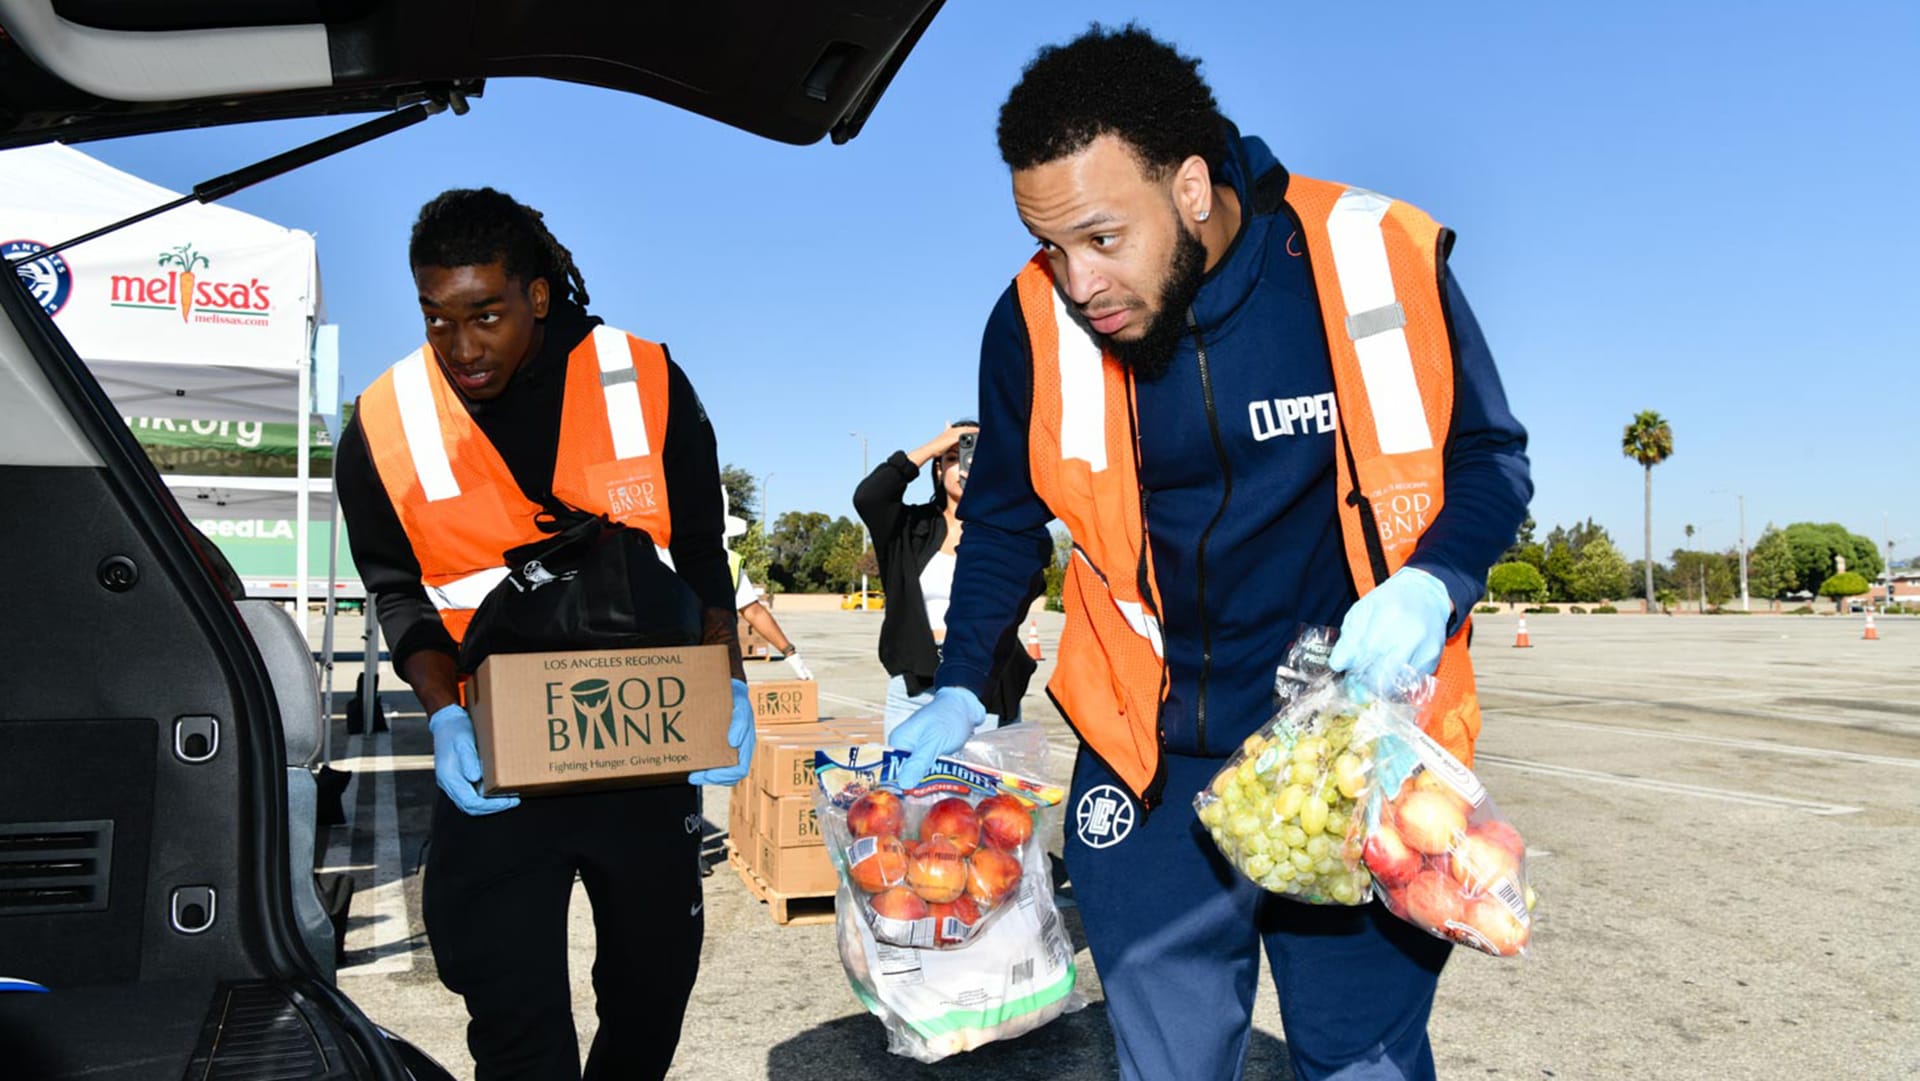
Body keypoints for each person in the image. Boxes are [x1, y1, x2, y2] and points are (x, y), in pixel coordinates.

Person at [890, 25, 1532, 1081]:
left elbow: (1489, 461)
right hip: (1149, 769)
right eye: (1052, 245)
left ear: (1191, 187)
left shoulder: (1370, 257)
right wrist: (963, 685)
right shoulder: (1029, 322)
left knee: (1358, 1056)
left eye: (1103, 237)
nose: (1078, 279)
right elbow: (1006, 515)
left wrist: (1432, 583)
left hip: (1348, 755)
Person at [335, 188, 752, 1081]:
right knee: (514, 1017)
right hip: (495, 761)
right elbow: (398, 593)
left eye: (484, 313)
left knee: (652, 991)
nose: (461, 347)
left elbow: (703, 553)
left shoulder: (642, 379)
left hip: (637, 751)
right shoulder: (383, 422)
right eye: (436, 318)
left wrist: (729, 680)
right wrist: (444, 713)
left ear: (536, 295)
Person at [853, 420, 1041, 740]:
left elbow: (1030, 580)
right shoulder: (911, 528)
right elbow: (870, 497)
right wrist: (934, 445)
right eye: (953, 457)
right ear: (939, 470)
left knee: (984, 790)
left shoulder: (1007, 533)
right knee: (910, 786)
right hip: (916, 687)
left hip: (988, 683)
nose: (964, 465)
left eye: (978, 456)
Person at [721, 489, 812, 679]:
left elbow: (753, 612)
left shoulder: (729, 562)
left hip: (721, 657)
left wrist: (790, 653)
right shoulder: (663, 556)